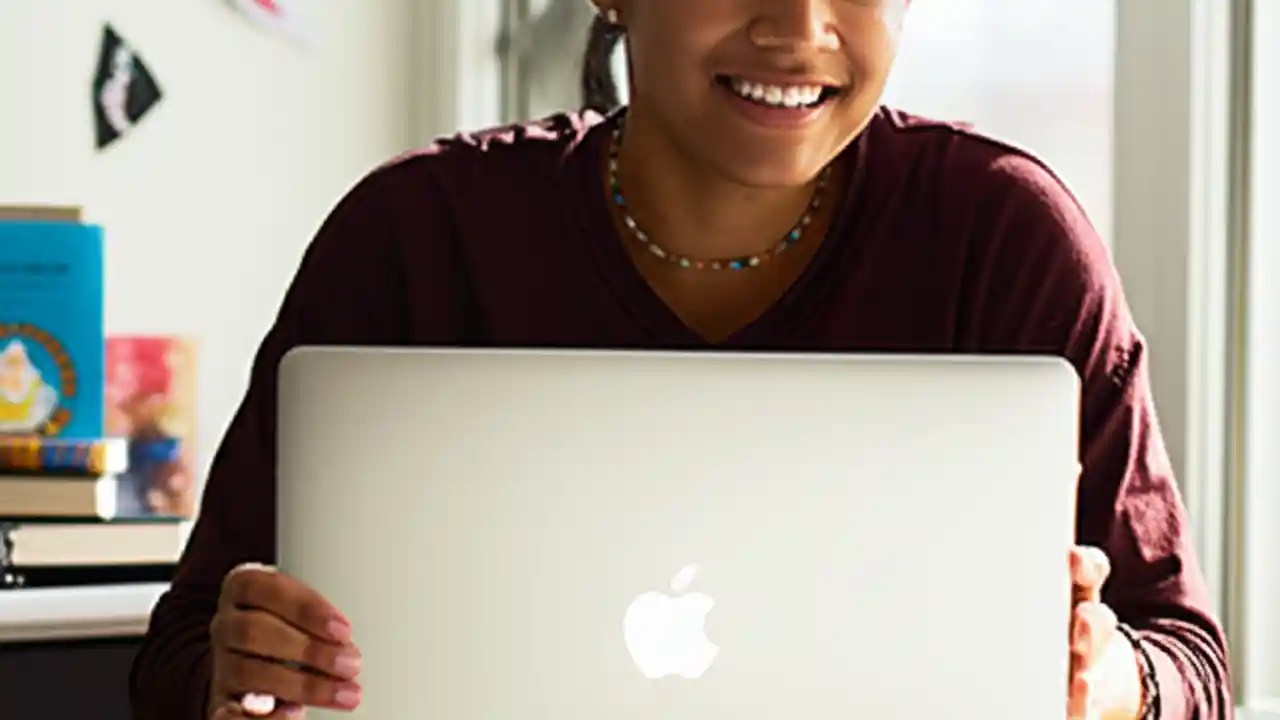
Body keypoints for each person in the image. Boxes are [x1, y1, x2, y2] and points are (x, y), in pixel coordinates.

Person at [129, 2, 1233, 718]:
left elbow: (1188, 660)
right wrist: (237, 673)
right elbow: (181, 654)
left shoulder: (1006, 240)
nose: (800, 28)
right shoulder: (413, 237)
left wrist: (1116, 679)